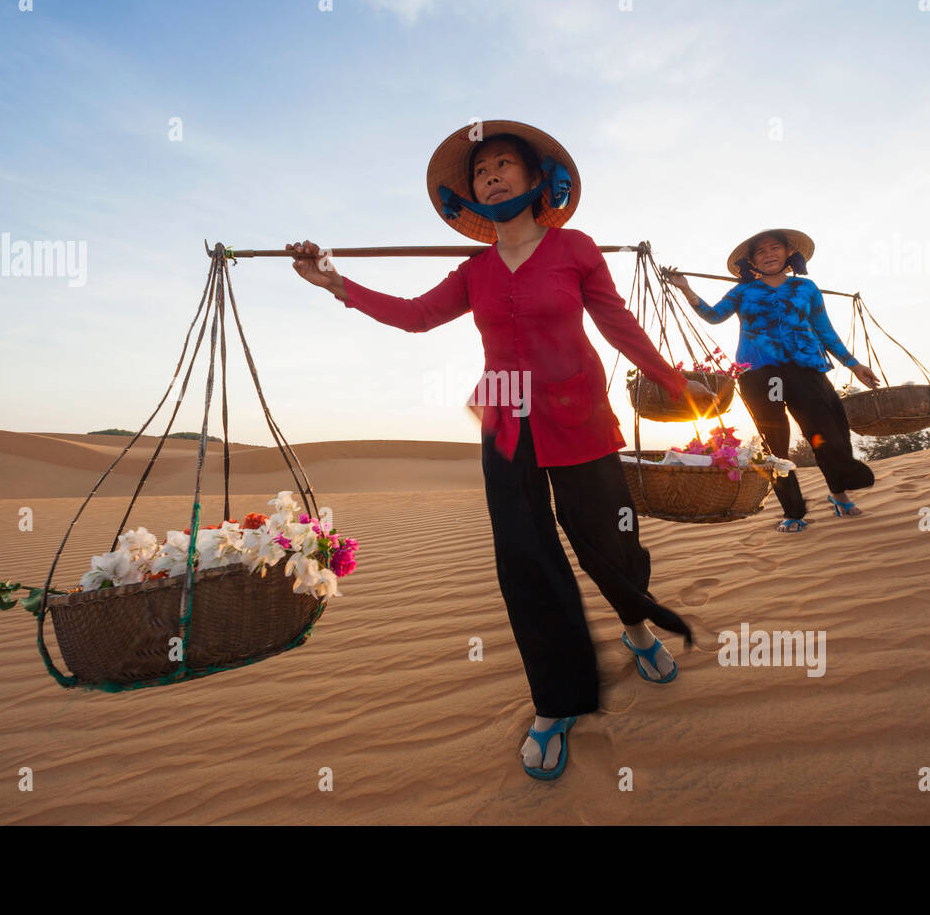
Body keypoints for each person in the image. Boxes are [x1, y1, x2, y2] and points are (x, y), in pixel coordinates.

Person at [287, 121, 715, 780]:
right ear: (474, 196)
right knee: (525, 559)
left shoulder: (574, 249)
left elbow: (615, 322)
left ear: (537, 179)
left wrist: (671, 379)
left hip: (578, 409)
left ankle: (636, 627)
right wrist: (333, 282)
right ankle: (555, 700)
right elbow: (414, 315)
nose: (490, 174)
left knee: (609, 542)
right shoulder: (475, 270)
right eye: (480, 170)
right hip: (506, 413)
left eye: (504, 162)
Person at [667, 228, 880, 531]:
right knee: (775, 445)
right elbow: (714, 316)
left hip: (805, 369)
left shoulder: (806, 288)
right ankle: (793, 512)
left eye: (775, 248)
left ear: (788, 254)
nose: (769, 254)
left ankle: (838, 492)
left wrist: (854, 364)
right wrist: (685, 289)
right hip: (759, 374)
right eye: (761, 251)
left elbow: (824, 330)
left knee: (825, 435)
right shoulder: (743, 292)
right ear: (751, 262)